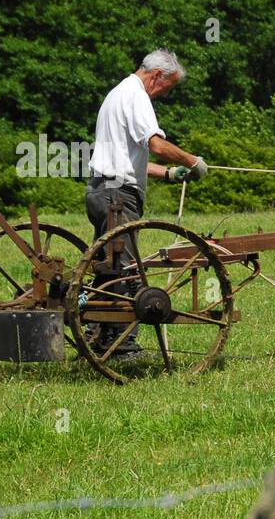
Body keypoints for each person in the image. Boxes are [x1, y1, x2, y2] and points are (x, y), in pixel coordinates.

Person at [86, 49, 209, 356]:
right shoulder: (137, 96)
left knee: (108, 271)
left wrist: (168, 174)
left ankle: (96, 340)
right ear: (157, 76)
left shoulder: (116, 95)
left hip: (101, 191)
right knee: (126, 273)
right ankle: (123, 348)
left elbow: (125, 157)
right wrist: (193, 161)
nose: (165, 94)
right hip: (118, 197)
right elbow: (156, 144)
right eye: (169, 87)